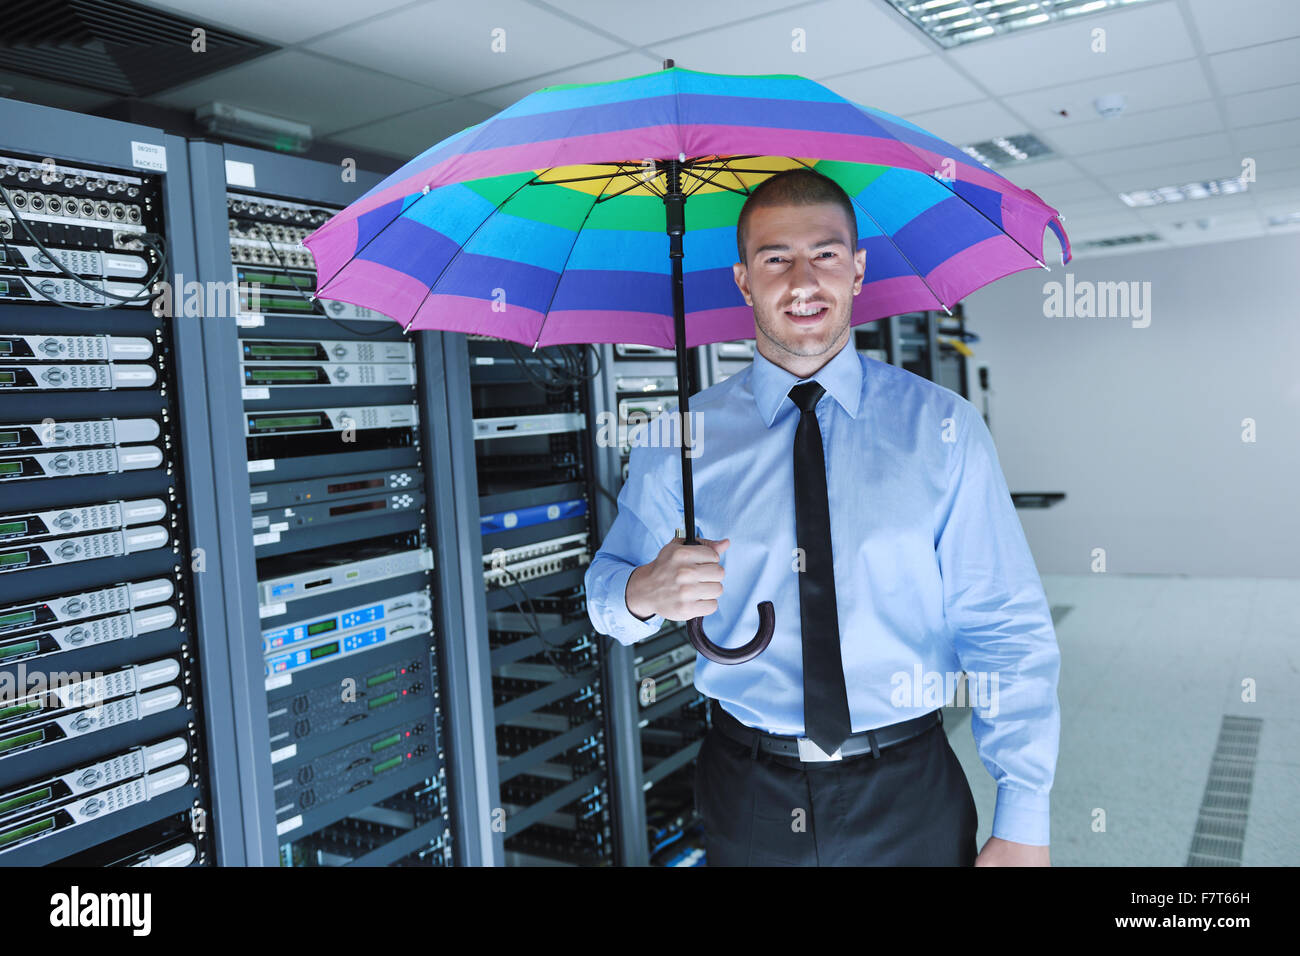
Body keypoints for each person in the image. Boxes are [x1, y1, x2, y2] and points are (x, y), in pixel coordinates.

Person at [584, 167, 1060, 866]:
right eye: (776, 258)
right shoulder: (679, 439)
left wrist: (1023, 816)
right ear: (745, 280)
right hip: (747, 788)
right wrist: (642, 592)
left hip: (907, 784)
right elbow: (604, 596)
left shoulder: (943, 428)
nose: (803, 281)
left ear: (858, 270)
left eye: (826, 255)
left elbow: (1003, 623)